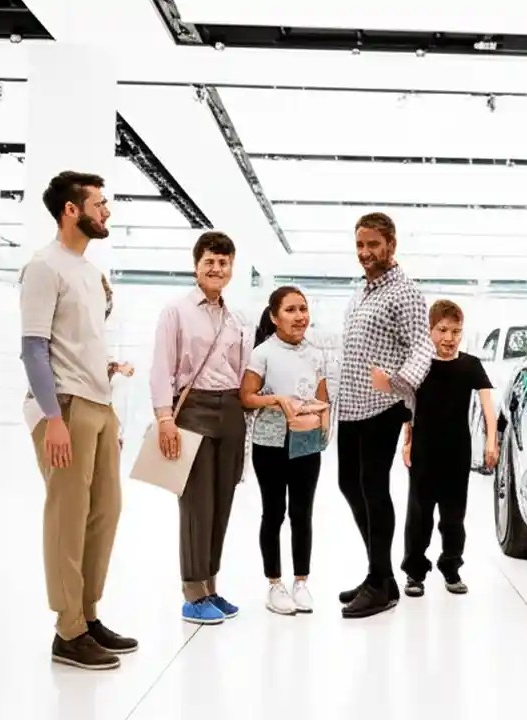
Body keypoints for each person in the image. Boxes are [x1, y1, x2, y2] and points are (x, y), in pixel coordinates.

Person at [20, 170, 137, 671]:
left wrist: (107, 370)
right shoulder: (44, 267)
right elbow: (32, 349)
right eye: (99, 203)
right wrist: (54, 419)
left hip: (99, 402)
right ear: (73, 210)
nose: (106, 211)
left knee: (105, 511)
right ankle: (67, 631)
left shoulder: (89, 271)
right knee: (66, 519)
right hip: (63, 407)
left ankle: (87, 616)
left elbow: (79, 340)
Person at [150, 231, 254, 625]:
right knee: (196, 504)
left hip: (230, 409)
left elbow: (242, 371)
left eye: (224, 262)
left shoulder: (236, 317)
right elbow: (162, 367)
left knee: (223, 502)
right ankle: (192, 593)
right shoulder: (176, 311)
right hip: (191, 409)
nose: (216, 268)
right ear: (196, 266)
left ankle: (210, 586)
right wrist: (164, 418)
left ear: (231, 268)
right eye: (209, 261)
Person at [336, 212, 434, 619]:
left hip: (382, 406)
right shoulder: (362, 292)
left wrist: (397, 382)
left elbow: (422, 348)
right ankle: (380, 572)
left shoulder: (404, 292)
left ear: (391, 245)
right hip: (352, 405)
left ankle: (380, 583)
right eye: (360, 245)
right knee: (348, 484)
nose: (365, 253)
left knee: (373, 488)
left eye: (373, 244)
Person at [240, 286, 329, 615]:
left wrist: (321, 422)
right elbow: (246, 398)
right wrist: (277, 399)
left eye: (303, 309)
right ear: (275, 317)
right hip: (270, 442)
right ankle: (274, 584)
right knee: (274, 512)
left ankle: (301, 581)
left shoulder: (316, 354)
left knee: (302, 513)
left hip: (305, 441)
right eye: (290, 310)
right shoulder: (263, 353)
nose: (299, 316)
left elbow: (322, 397)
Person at [400, 300, 497, 597]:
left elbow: (487, 404)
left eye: (455, 331)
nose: (448, 338)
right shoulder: (419, 366)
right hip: (424, 451)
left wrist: (491, 440)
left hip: (457, 452)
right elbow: (409, 406)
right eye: (442, 330)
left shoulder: (470, 365)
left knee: (454, 516)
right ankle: (415, 572)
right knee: (419, 515)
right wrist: (407, 440)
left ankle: (451, 567)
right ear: (429, 330)